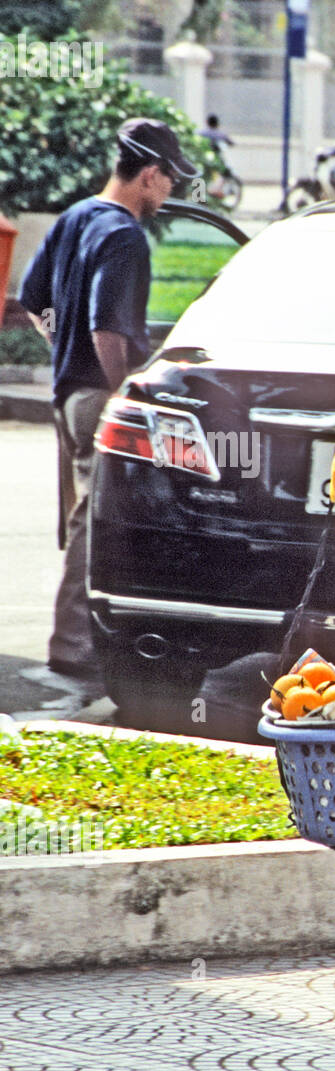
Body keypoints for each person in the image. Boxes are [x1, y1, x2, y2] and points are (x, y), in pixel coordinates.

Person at [19, 118, 198, 686]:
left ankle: (81, 636)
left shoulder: (76, 216)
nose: (169, 192)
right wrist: (128, 394)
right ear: (149, 175)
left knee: (82, 520)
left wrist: (59, 343)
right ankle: (72, 647)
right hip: (100, 397)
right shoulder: (123, 235)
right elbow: (107, 330)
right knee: (95, 522)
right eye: (170, 180)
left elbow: (31, 297)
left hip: (68, 394)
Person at [198, 113, 234, 198]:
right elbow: (231, 143)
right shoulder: (220, 134)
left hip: (202, 158)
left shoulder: (201, 133)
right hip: (216, 160)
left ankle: (200, 195)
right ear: (217, 123)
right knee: (226, 172)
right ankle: (216, 189)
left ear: (207, 122)